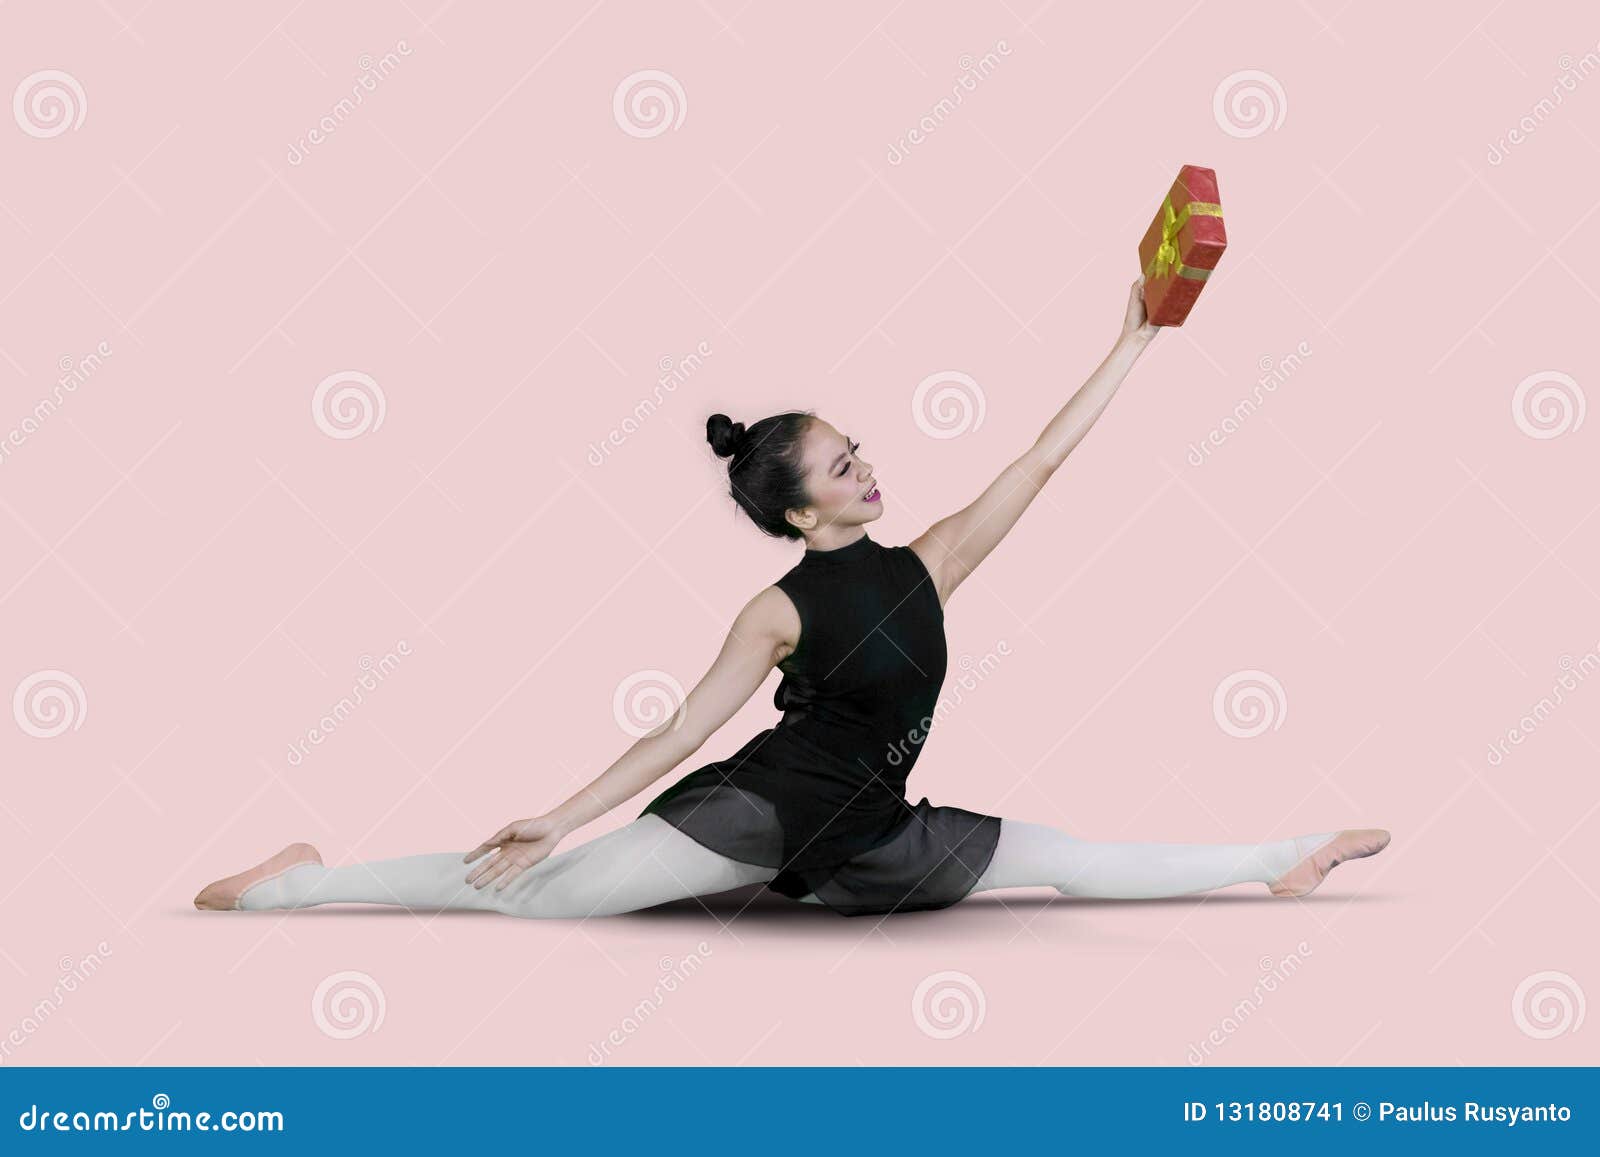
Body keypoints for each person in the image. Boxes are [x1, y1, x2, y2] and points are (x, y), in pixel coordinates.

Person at [195, 277, 1389, 919]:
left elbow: (1036, 459)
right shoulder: (777, 604)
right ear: (800, 514)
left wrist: (1132, 342)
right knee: (538, 898)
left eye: (858, 449)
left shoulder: (931, 560)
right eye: (840, 467)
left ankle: (1285, 857)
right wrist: (558, 813)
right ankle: (290, 883)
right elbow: (681, 729)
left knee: (1067, 859)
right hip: (755, 819)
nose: (867, 467)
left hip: (874, 828)